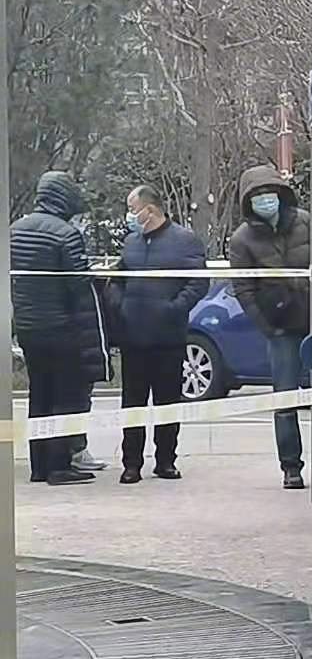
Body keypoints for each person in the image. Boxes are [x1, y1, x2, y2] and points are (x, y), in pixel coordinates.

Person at [228, 164, 312, 490]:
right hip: (280, 327)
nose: (266, 199)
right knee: (285, 398)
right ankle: (291, 465)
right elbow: (244, 290)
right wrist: (268, 328)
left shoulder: (306, 222)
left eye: (270, 193)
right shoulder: (242, 240)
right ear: (248, 202)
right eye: (258, 195)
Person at [11, 171, 110, 485]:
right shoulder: (65, 234)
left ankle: (38, 466)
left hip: (28, 327)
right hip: (61, 327)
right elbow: (77, 283)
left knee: (38, 395)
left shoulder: (14, 229)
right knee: (65, 396)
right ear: (64, 198)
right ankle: (59, 465)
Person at [107, 185, 208, 484]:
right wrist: (119, 303)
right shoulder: (131, 242)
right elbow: (119, 277)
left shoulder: (185, 240)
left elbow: (198, 282)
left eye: (132, 208)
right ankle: (132, 463)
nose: (129, 215)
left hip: (168, 337)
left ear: (149, 210)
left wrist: (174, 308)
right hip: (133, 337)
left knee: (167, 402)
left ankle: (166, 460)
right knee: (133, 404)